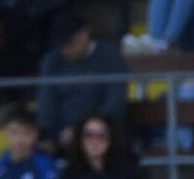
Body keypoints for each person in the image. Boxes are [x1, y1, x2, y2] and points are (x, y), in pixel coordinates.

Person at [37, 11, 127, 148]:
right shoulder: (52, 61)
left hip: (102, 134)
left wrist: (83, 131)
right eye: (62, 46)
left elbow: (114, 102)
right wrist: (55, 133)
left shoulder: (110, 57)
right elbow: (46, 104)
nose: (65, 51)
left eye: (69, 44)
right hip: (61, 137)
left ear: (84, 35)